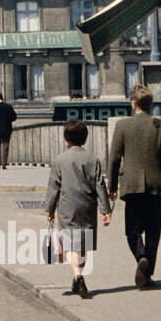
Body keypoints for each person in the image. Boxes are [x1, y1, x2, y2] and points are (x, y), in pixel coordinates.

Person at [107, 83, 161, 289]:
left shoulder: (122, 126)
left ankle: (141, 256)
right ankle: (147, 273)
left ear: (133, 104)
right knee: (154, 231)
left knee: (133, 230)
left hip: (131, 185)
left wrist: (111, 185)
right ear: (150, 104)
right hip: (157, 186)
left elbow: (114, 158)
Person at [45, 119, 112, 299]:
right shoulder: (93, 159)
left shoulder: (60, 160)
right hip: (88, 206)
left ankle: (78, 276)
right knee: (84, 244)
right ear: (85, 138)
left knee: (70, 245)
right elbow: (100, 185)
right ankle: (79, 277)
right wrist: (106, 210)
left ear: (66, 139)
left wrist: (50, 209)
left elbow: (54, 187)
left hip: (68, 206)